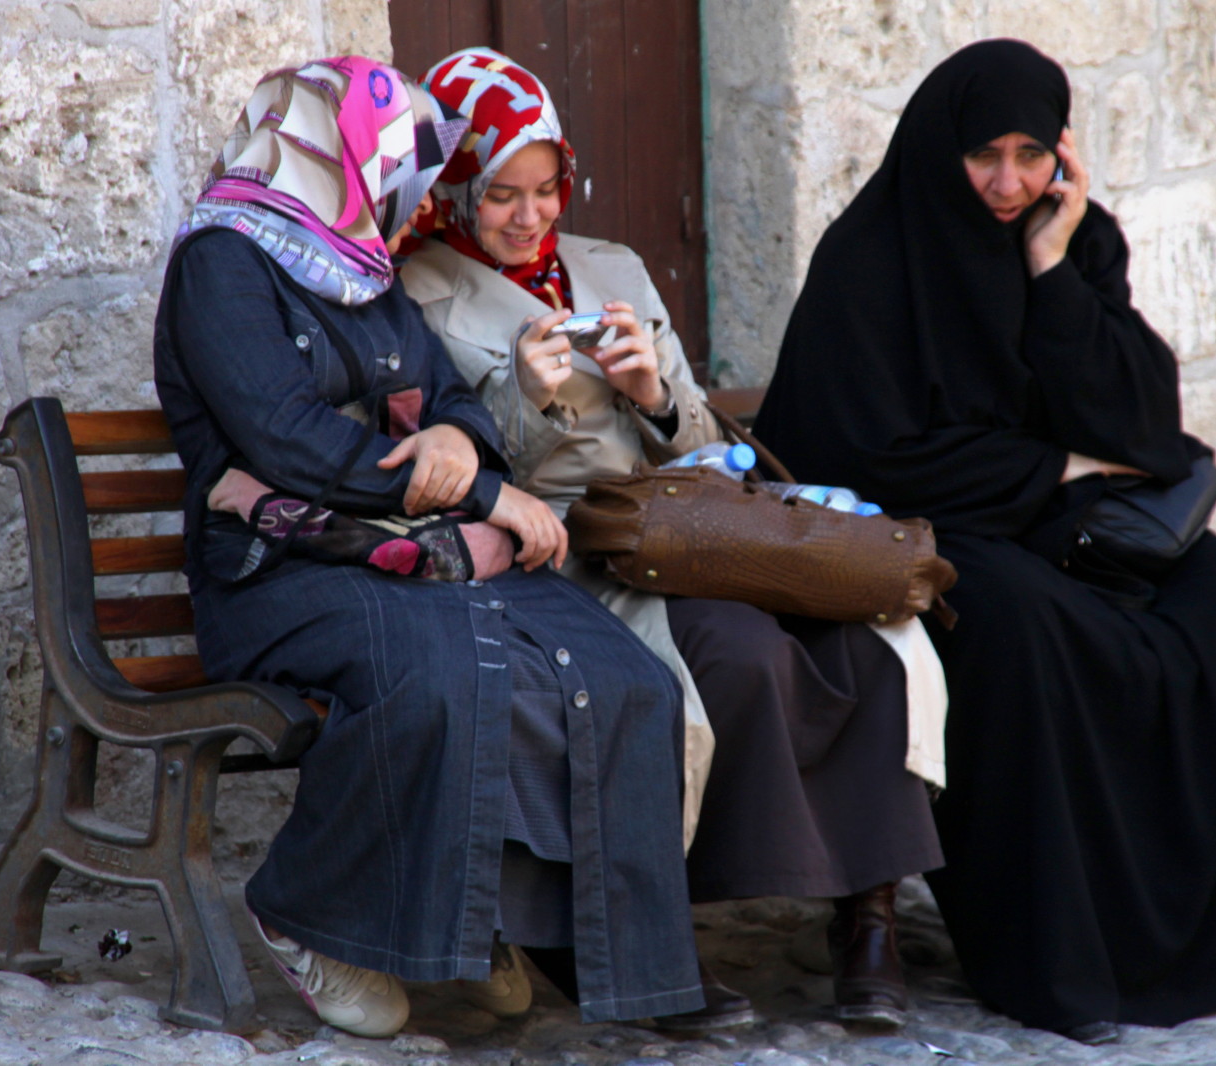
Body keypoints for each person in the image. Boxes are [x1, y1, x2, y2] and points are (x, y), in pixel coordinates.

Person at [753, 38, 1216, 1045]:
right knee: (1024, 627)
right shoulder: (870, 260)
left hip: (1063, 523)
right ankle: (1069, 961)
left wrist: (1051, 272)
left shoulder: (1073, 240)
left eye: (1031, 153)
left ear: (1063, 154)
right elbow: (858, 455)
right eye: (983, 155)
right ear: (939, 149)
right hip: (937, 528)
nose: (1008, 183)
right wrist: (1051, 468)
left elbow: (1137, 414)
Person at [152, 56, 703, 1037]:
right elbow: (285, 437)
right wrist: (483, 487)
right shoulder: (221, 264)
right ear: (326, 147)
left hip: (414, 553)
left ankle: (483, 914)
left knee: (620, 676)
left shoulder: (361, 262)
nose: (409, 178)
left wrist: (458, 437)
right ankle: (301, 912)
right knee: (443, 670)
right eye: (394, 154)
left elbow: (443, 398)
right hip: (278, 569)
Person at [399, 47, 948, 1029]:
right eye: (498, 196)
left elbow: (699, 436)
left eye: (544, 189)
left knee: (864, 638)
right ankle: (655, 940)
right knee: (734, 650)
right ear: (449, 186)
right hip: (575, 551)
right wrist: (524, 402)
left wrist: (654, 393)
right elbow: (464, 475)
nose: (529, 216)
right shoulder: (417, 293)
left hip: (694, 520)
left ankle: (868, 922)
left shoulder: (610, 265)